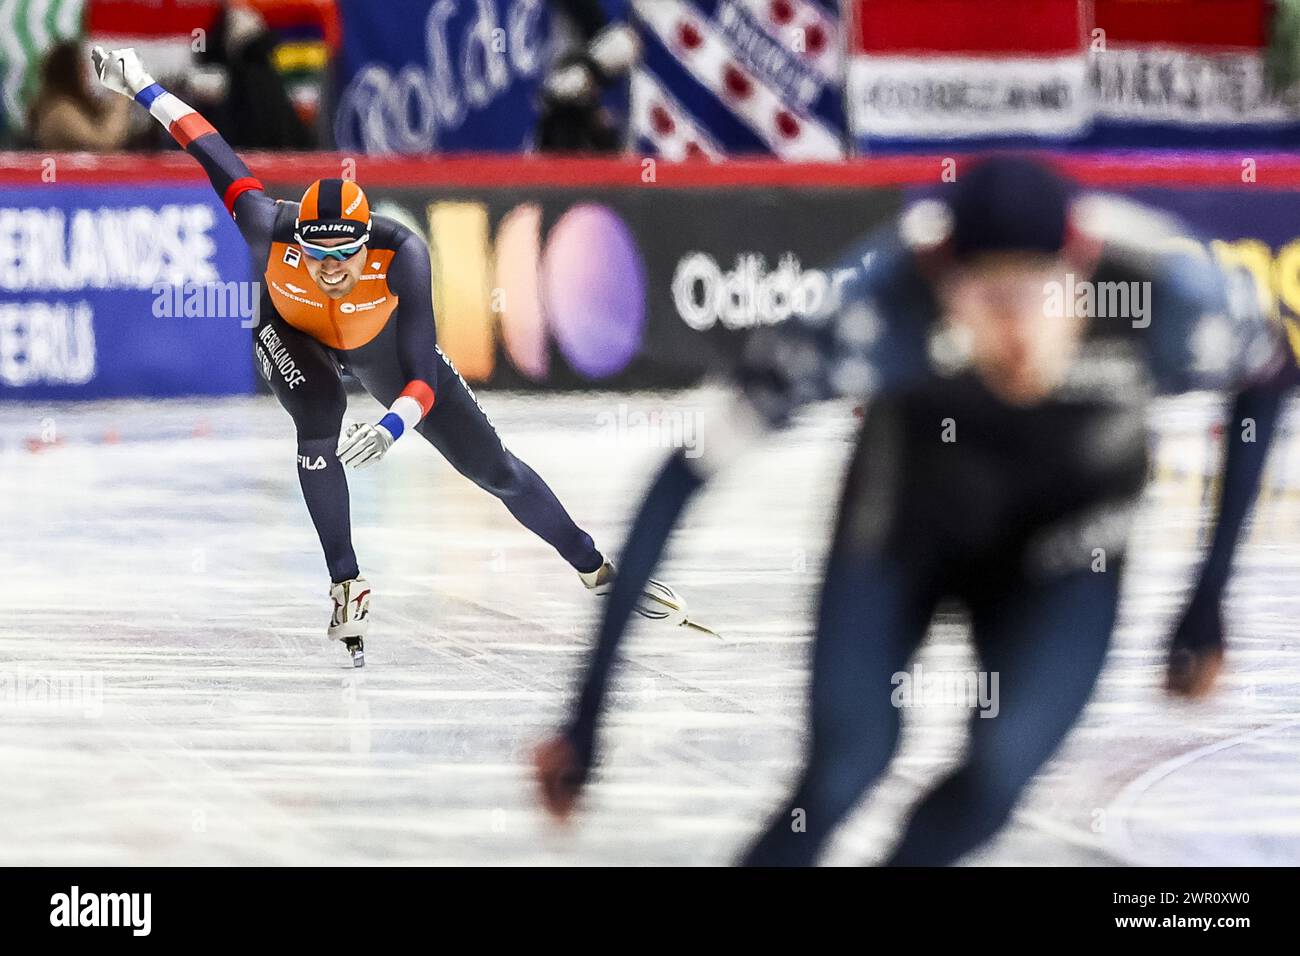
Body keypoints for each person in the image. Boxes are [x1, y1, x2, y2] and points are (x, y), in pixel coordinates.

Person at [534, 157, 1289, 864]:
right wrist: (589, 708)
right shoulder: (871, 306)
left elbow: (1270, 372)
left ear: (1082, 265)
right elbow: (682, 476)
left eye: (1038, 294)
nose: (1017, 329)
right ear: (941, 277)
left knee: (999, 773)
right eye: (990, 299)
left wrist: (1209, 593)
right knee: (845, 768)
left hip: (1070, 547)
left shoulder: (1168, 288)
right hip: (903, 531)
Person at [92, 46, 685, 667]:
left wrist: (392, 424)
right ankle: (347, 583)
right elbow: (208, 145)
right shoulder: (265, 222)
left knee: (494, 469)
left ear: (364, 243)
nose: (328, 271)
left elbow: (422, 376)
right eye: (316, 257)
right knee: (317, 426)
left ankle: (595, 568)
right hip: (291, 333)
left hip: (378, 349)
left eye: (341, 257)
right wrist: (141, 85)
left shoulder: (401, 252)